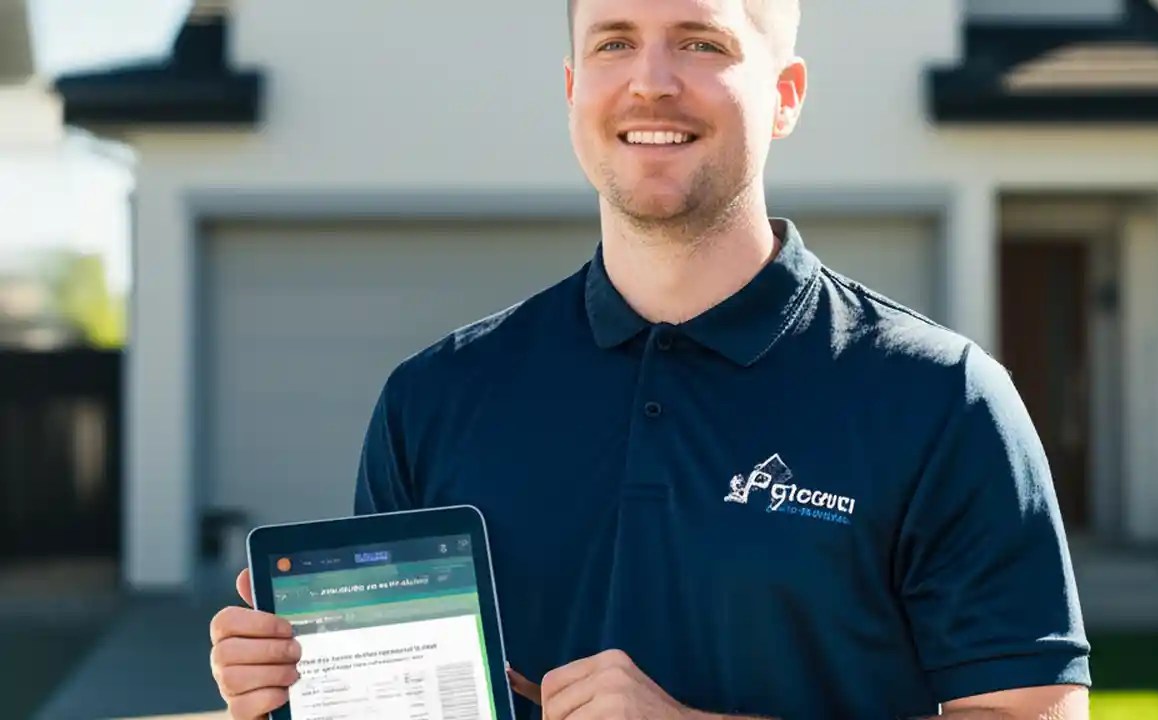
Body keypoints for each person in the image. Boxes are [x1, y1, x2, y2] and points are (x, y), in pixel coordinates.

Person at [209, 0, 1092, 716]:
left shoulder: (940, 398)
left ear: (785, 95)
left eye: (701, 42)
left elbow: (1029, 713)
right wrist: (291, 701)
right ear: (571, 89)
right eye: (615, 42)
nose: (650, 81)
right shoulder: (434, 399)